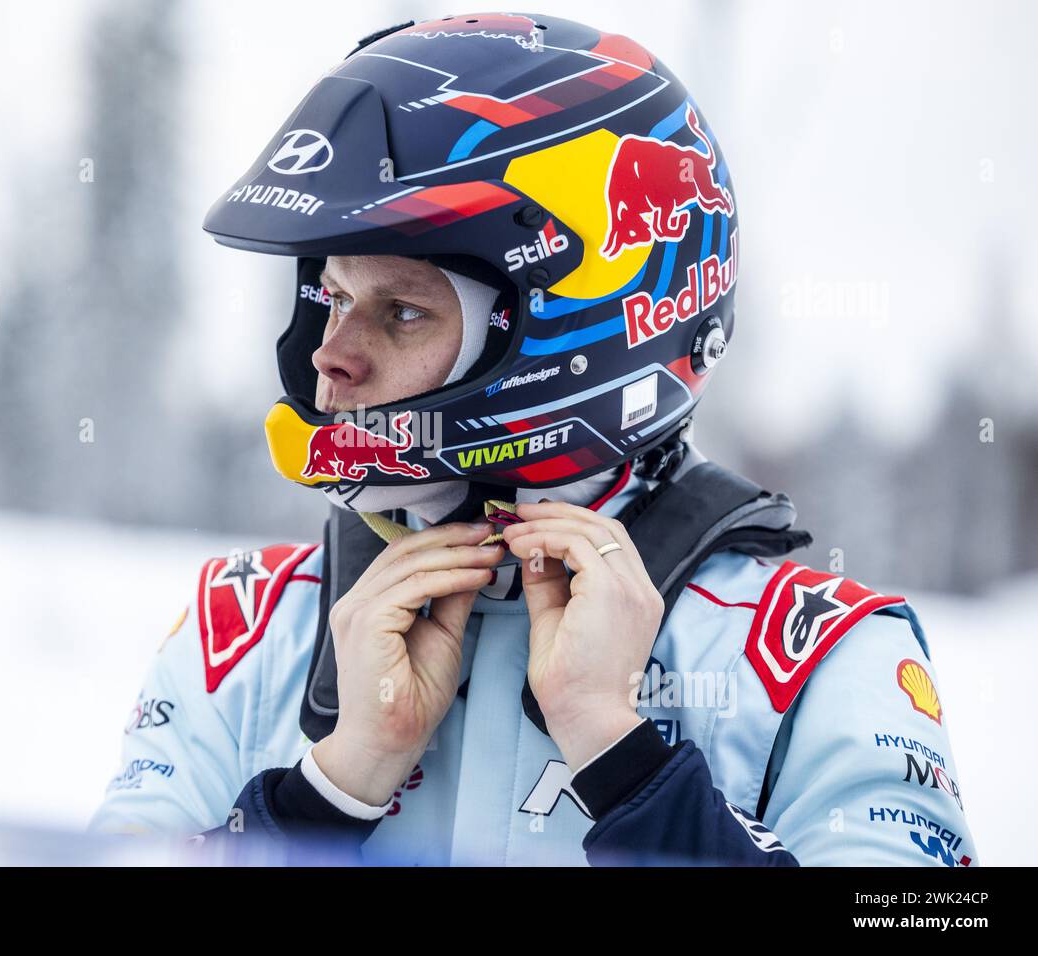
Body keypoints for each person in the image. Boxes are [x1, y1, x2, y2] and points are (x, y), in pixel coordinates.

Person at [90, 13, 976, 867]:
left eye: (401, 312)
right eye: (331, 297)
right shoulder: (247, 629)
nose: (331, 357)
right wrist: (328, 794)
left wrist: (627, 765)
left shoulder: (809, 657)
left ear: (575, 328)